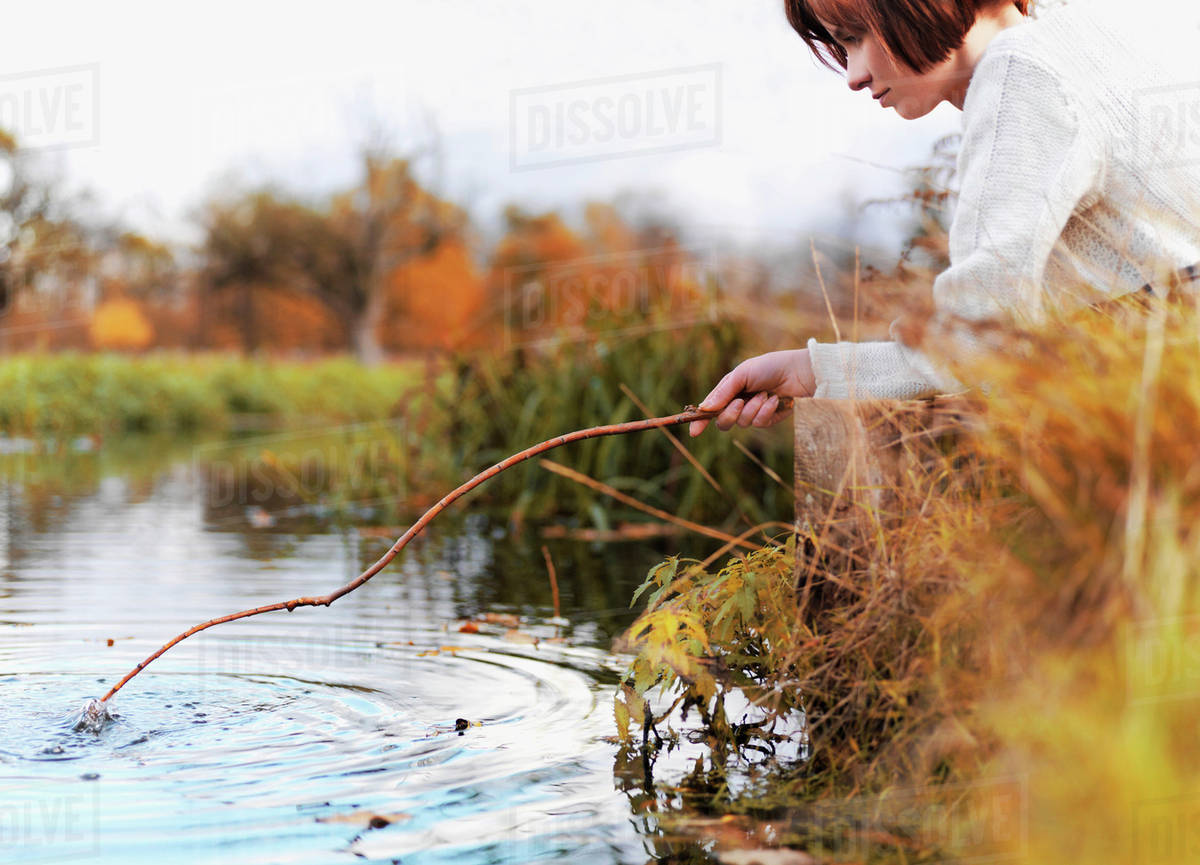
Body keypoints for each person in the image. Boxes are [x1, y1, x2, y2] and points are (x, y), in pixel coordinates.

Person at [689, 0, 1200, 437]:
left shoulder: (1019, 74)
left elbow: (976, 339)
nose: (853, 75)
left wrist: (820, 372)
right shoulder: (1079, 35)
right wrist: (809, 372)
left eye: (857, 35)